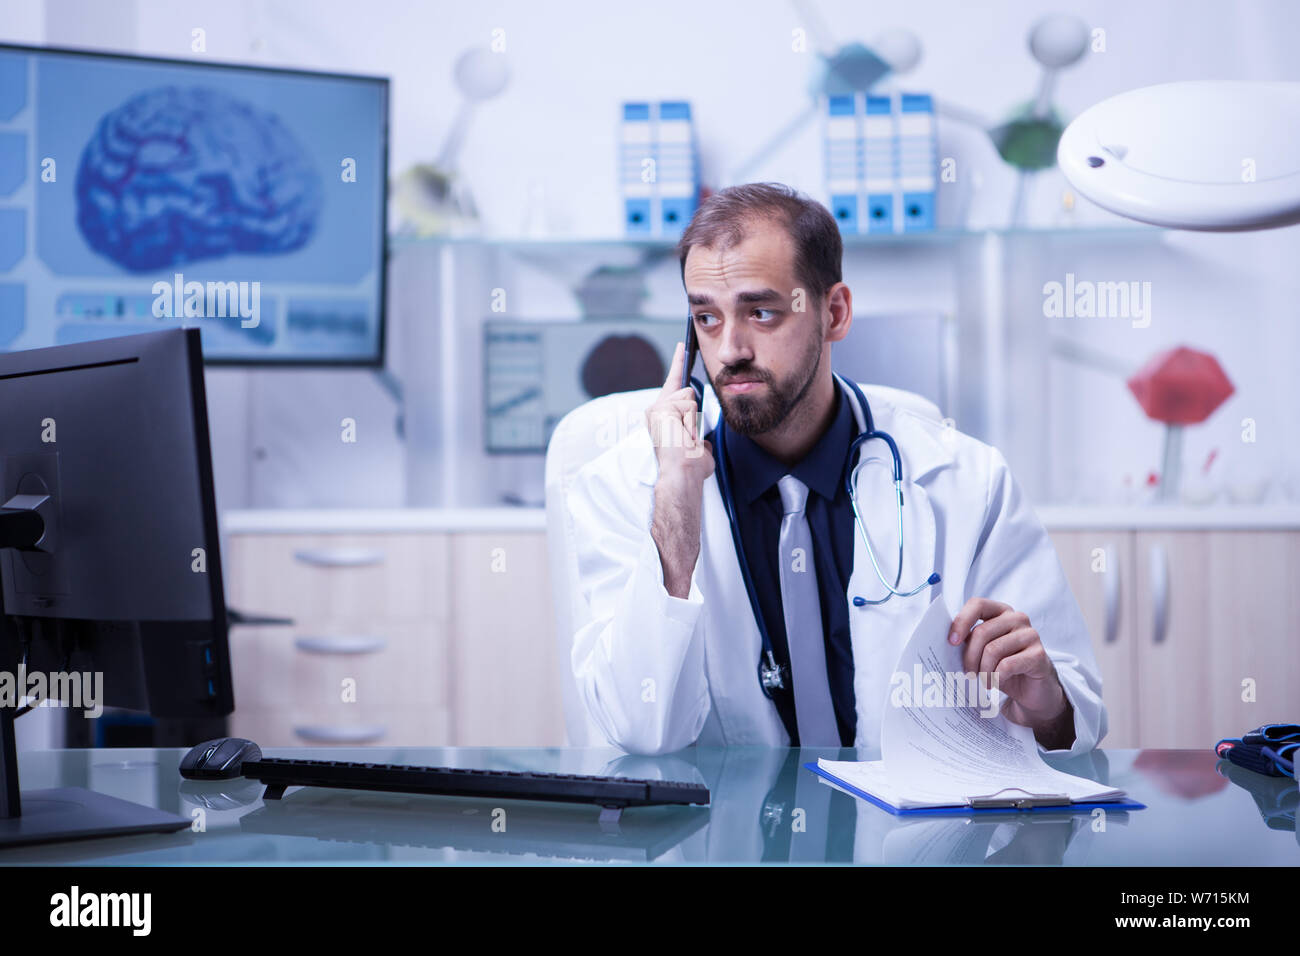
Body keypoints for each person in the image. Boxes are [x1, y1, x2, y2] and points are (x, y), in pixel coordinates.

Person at [566, 182, 1105, 756]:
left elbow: (1076, 721)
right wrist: (674, 518)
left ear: (835, 312)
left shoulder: (966, 481)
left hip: (911, 840)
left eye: (762, 311)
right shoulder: (628, 488)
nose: (729, 350)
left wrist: (1049, 704)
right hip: (723, 842)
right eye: (707, 318)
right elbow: (635, 730)